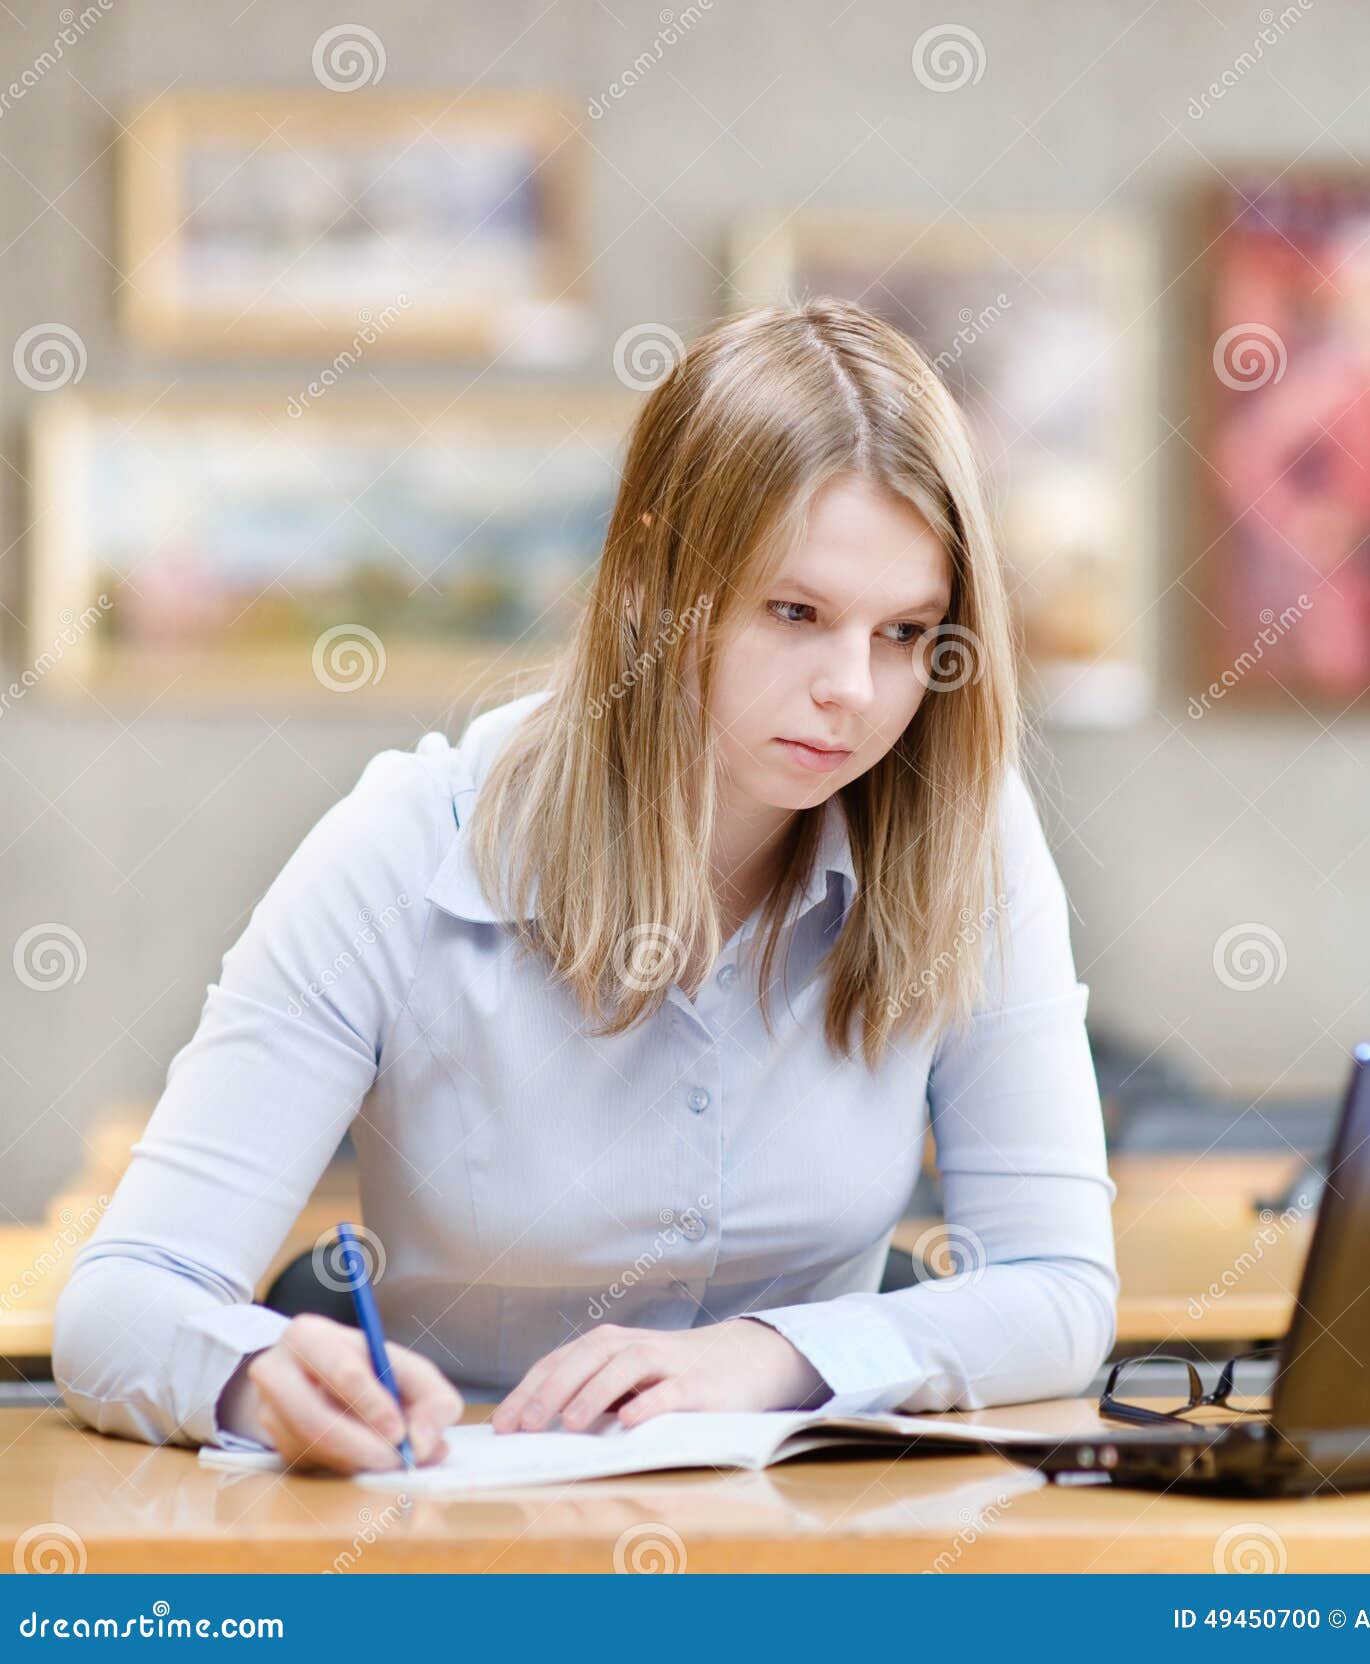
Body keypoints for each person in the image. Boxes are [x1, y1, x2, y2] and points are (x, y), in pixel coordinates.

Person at [52, 298, 1118, 1476]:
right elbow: (120, 1304)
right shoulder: (402, 849)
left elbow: (1059, 1290)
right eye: (795, 612)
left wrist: (768, 1354)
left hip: (806, 1539)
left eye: (908, 631)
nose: (853, 691)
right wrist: (256, 1382)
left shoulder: (969, 837)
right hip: (457, 1533)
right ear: (656, 582)